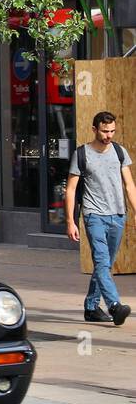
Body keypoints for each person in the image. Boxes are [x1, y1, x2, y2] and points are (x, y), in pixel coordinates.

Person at [65, 110, 136, 325]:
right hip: (94, 214)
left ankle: (91, 307)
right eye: (105, 131)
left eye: (112, 131)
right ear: (95, 129)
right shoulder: (82, 155)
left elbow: (130, 185)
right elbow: (70, 190)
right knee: (102, 261)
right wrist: (71, 221)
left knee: (105, 264)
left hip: (118, 215)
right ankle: (114, 306)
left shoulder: (119, 152)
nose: (109, 135)